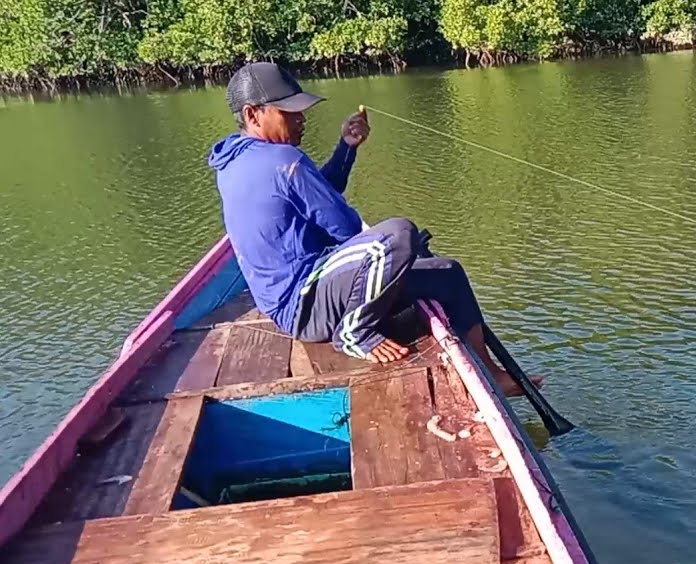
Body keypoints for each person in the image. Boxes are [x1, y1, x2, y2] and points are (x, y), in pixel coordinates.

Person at [208, 62, 540, 394]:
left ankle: (494, 376)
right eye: (289, 112)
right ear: (253, 114)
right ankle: (355, 333)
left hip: (298, 297)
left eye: (300, 111)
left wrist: (346, 148)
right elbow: (347, 228)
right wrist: (394, 256)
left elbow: (313, 193)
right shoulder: (283, 160)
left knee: (448, 273)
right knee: (398, 234)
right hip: (304, 304)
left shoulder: (238, 160)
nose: (301, 119)